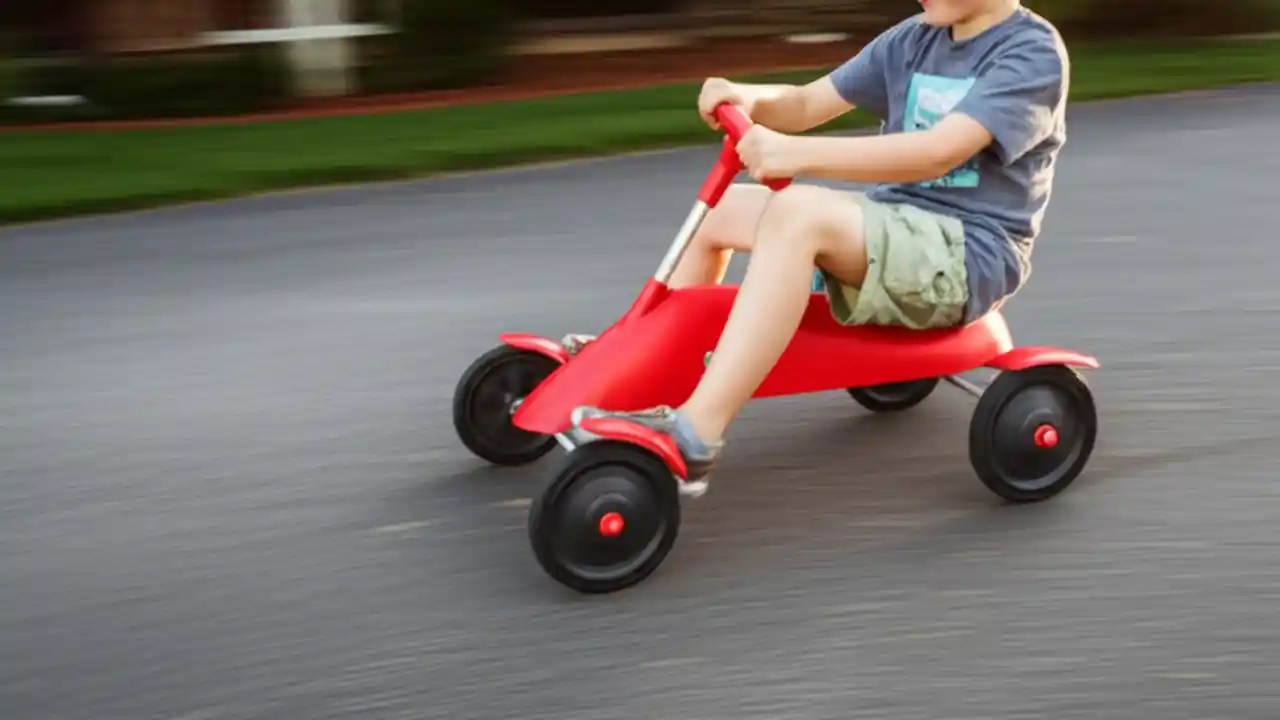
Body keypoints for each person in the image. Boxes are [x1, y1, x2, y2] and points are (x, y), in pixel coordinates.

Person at [567, 0, 1071, 481]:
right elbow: (806, 102)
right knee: (724, 209)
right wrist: (746, 98)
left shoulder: (1029, 54)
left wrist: (795, 154)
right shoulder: (913, 40)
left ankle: (695, 434)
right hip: (896, 232)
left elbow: (938, 152)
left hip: (965, 256)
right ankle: (645, 365)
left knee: (798, 214)